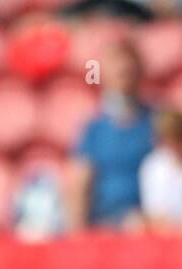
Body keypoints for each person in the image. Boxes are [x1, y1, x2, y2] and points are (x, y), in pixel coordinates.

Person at [66, 40, 155, 230]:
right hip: (107, 223)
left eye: (129, 70)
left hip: (152, 222)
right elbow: (80, 181)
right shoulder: (94, 129)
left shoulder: (157, 122)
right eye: (119, 70)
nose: (124, 72)